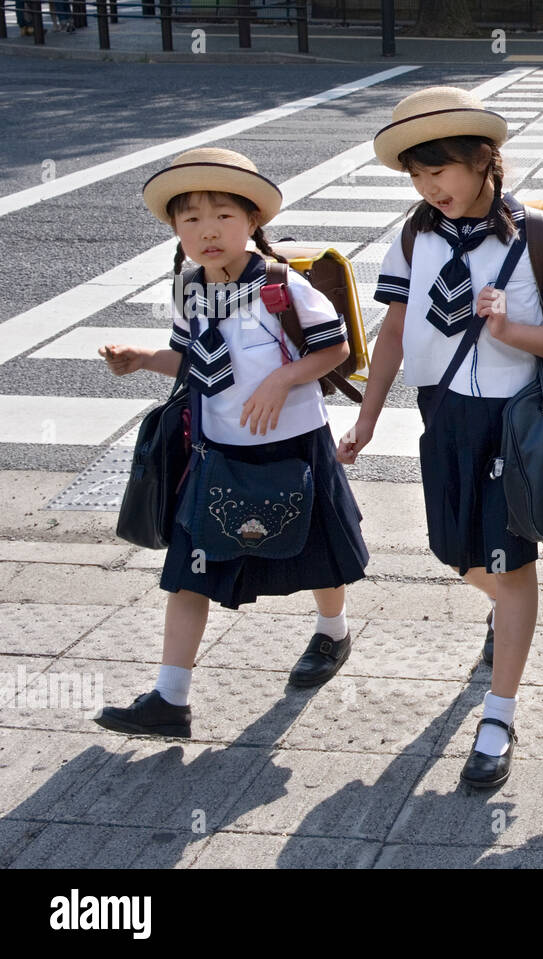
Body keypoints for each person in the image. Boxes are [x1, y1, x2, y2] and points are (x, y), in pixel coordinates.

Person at [339, 87, 543, 787]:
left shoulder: (542, 236)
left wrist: (511, 331)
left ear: (486, 160)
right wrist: (367, 414)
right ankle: (503, 613)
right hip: (443, 413)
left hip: (515, 421)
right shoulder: (414, 237)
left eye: (441, 169)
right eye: (418, 175)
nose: (430, 186)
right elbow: (393, 330)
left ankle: (499, 712)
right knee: (455, 550)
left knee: (511, 566)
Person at [94, 148, 369, 738]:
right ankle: (171, 698)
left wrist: (282, 377)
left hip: (293, 447)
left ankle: (333, 630)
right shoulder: (189, 286)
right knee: (190, 569)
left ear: (251, 222)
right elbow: (193, 360)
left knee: (318, 550)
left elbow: (335, 348)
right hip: (216, 451)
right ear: (175, 231)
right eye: (190, 219)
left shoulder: (280, 284)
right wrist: (143, 359)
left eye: (222, 215)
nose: (207, 230)